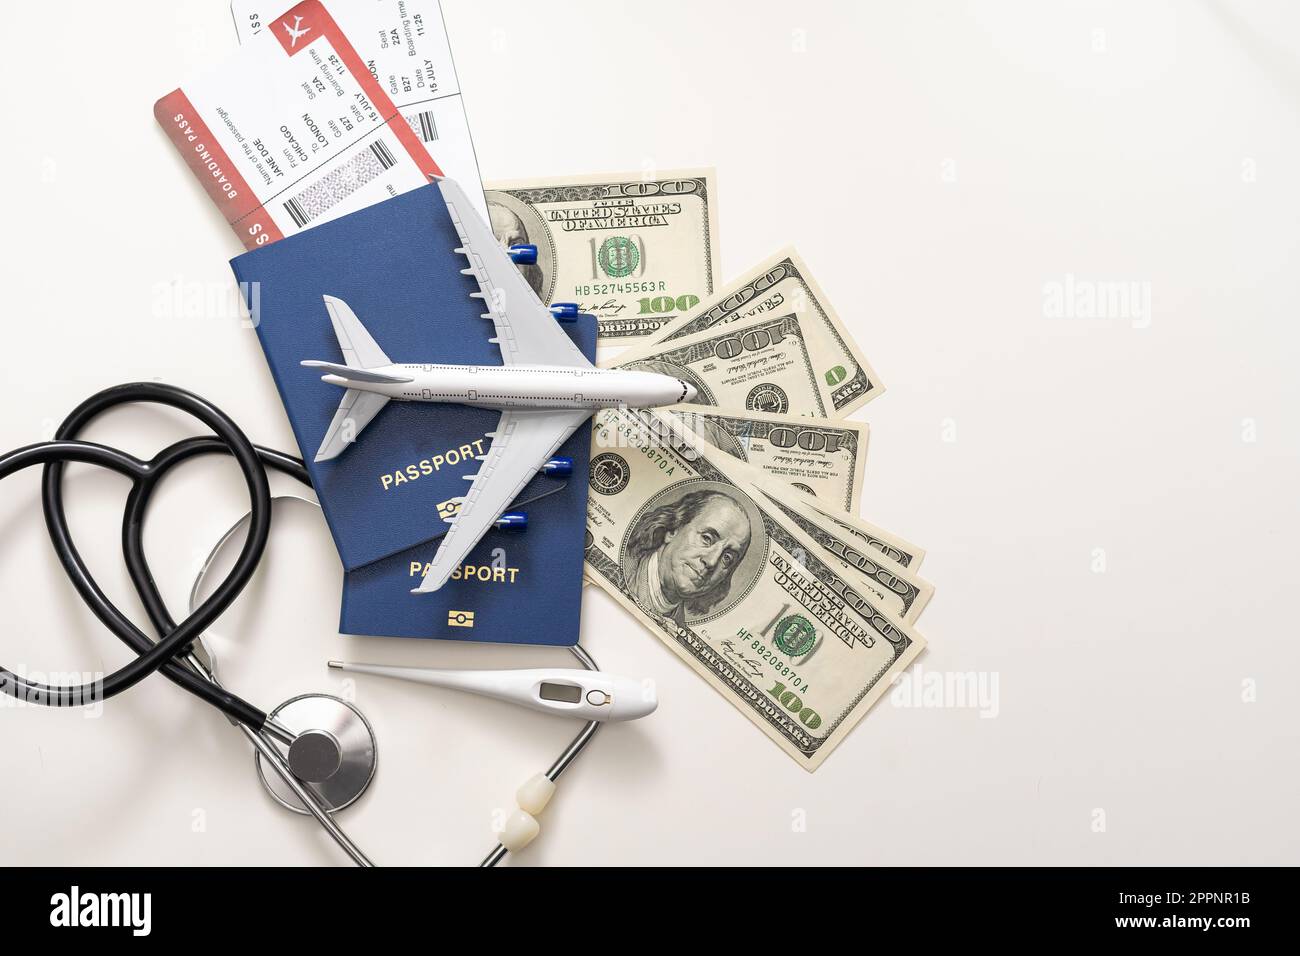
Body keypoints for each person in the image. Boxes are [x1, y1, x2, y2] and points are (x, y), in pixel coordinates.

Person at [624, 490, 752, 624]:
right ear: (674, 529)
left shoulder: (679, 635)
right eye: (706, 538)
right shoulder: (621, 567)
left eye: (727, 558)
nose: (712, 561)